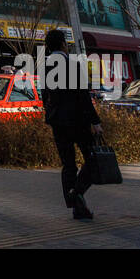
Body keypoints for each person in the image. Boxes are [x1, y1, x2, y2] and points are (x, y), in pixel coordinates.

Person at [39, 28, 102, 221]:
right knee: (93, 159)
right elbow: (83, 97)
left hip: (58, 122)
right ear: (63, 45)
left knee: (68, 164)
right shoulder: (72, 65)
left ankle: (76, 204)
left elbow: (45, 98)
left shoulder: (43, 67)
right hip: (78, 121)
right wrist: (96, 122)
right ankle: (77, 193)